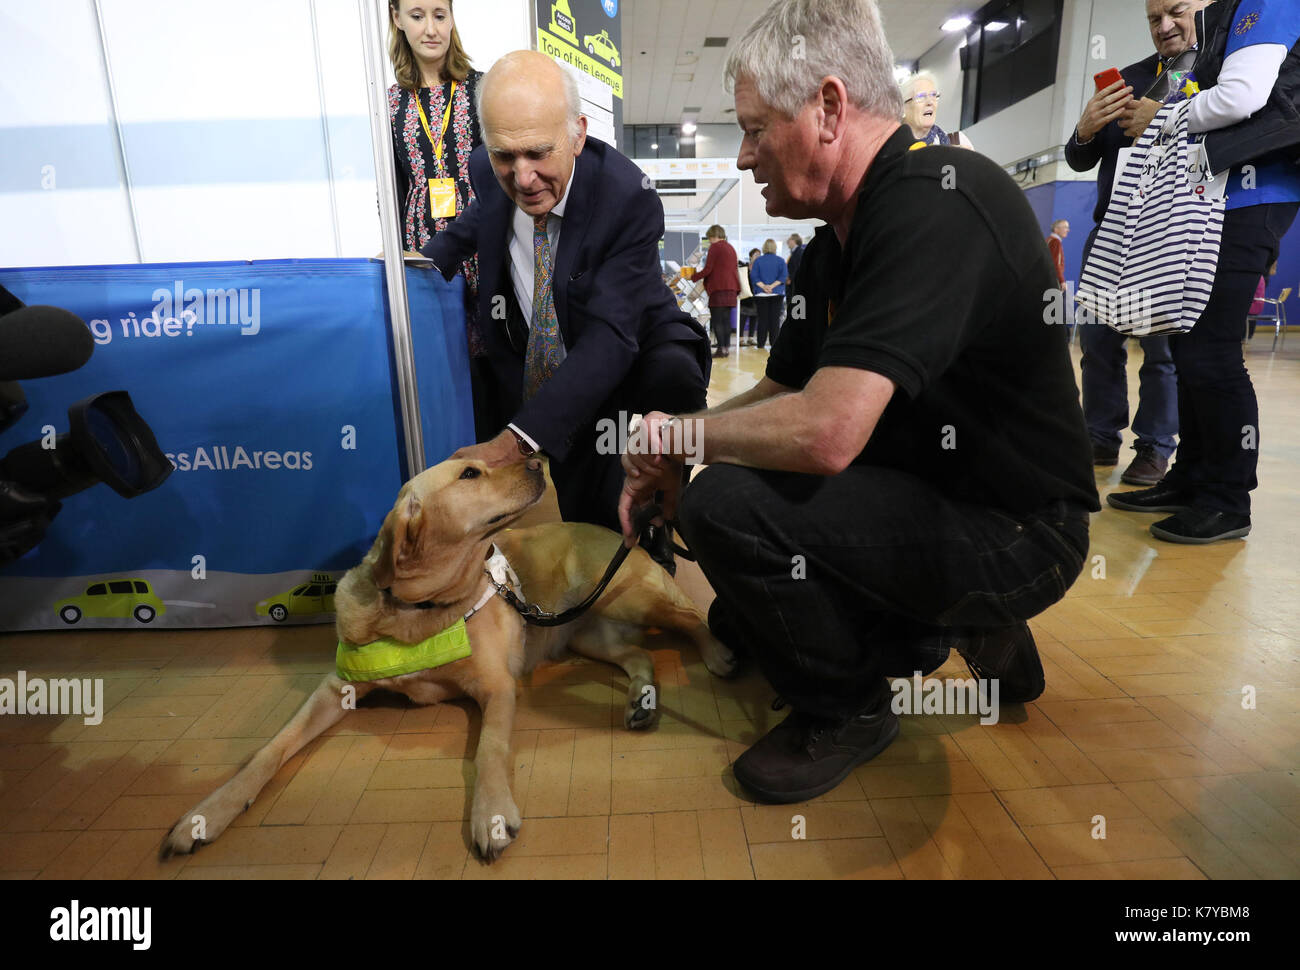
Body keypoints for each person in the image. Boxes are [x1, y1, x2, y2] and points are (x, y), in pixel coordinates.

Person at [617, 0, 1097, 803]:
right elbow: (780, 393)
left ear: (829, 109)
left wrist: (677, 439)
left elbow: (829, 432)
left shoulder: (937, 201)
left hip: (1019, 531)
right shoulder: (830, 247)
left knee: (730, 508)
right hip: (923, 499)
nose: (742, 157)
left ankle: (850, 707)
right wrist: (672, 441)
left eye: (755, 129)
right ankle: (932, 629)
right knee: (745, 597)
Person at [421, 51, 710, 554]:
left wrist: (514, 442)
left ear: (578, 133)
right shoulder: (488, 173)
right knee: (573, 524)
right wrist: (412, 267)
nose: (523, 177)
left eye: (538, 153)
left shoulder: (627, 198)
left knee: (608, 533)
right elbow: (474, 222)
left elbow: (609, 341)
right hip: (536, 364)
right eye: (504, 156)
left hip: (629, 364)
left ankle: (652, 537)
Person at [1108, 0, 1300, 542]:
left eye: (1174, 9)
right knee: (1190, 341)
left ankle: (1227, 498)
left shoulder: (1268, 2)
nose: (1165, 22)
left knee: (1211, 348)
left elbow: (1243, 96)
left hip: (1254, 194)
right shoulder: (1234, 10)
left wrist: (1161, 116)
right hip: (1224, 195)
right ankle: (1192, 478)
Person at [1065, 0, 1189, 487]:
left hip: (1168, 229)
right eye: (1153, 20)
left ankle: (1156, 447)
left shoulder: (1220, 76)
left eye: (1175, 13)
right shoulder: (1129, 78)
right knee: (1098, 342)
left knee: (1161, 350)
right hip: (1111, 230)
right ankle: (1098, 433)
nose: (1164, 27)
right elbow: (1079, 159)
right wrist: (1084, 129)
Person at [387, 0, 492, 437]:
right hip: (423, 255)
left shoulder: (482, 89)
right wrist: (395, 253)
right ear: (396, 19)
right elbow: (392, 189)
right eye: (417, 15)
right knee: (442, 372)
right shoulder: (388, 102)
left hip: (484, 246)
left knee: (492, 371)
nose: (430, 28)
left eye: (440, 14)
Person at [692, 226, 741, 358]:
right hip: (731, 288)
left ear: (713, 236)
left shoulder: (715, 247)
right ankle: (725, 349)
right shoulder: (730, 248)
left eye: (709, 238)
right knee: (726, 321)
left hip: (719, 288)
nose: (709, 241)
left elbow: (708, 269)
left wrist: (693, 276)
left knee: (718, 321)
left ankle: (720, 350)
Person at [901, 71, 975, 149]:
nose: (930, 102)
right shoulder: (891, 146)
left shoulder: (957, 141)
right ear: (902, 107)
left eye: (933, 95)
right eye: (921, 96)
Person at [749, 239, 786, 350]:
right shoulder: (780, 260)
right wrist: (772, 287)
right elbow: (783, 277)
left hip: (761, 294)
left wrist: (764, 287)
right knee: (775, 320)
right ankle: (774, 343)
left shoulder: (758, 261)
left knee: (762, 320)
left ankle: (761, 344)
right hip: (777, 294)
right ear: (775, 247)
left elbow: (754, 277)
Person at [786, 233, 805, 323]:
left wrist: (790, 278)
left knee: (795, 307)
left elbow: (798, 268)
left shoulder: (799, 252)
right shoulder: (794, 253)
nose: (788, 242)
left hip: (795, 284)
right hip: (792, 284)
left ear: (794, 241)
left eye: (789, 240)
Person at [1047, 219, 1069, 290]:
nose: (1068, 230)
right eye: (1065, 227)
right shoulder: (1055, 242)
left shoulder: (1049, 239)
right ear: (1056, 229)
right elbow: (1056, 264)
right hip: (1051, 280)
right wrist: (1062, 281)